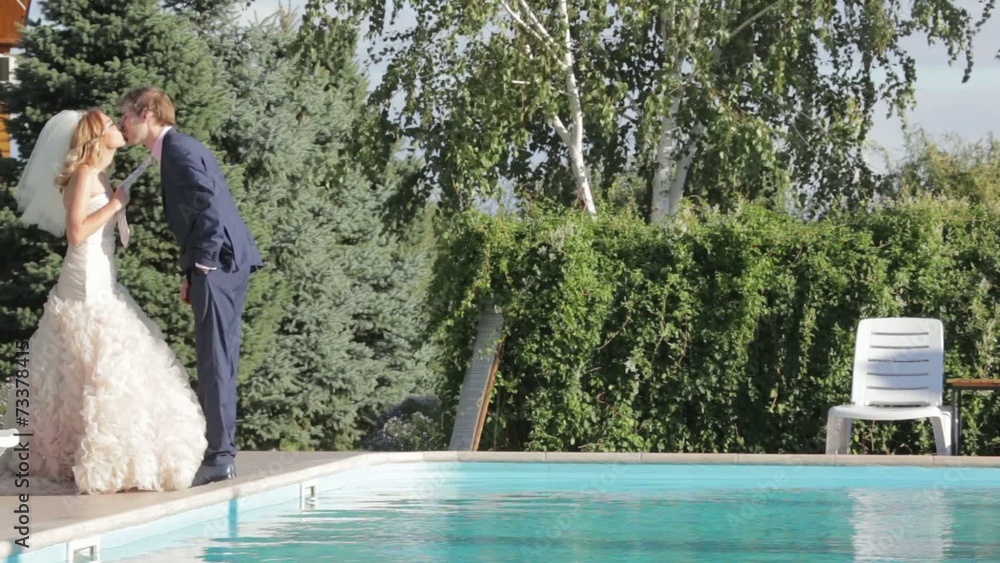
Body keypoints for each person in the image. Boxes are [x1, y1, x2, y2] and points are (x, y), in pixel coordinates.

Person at [0, 108, 208, 495]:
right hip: (84, 280)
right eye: (112, 125)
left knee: (104, 361)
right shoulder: (83, 174)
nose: (119, 127)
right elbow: (76, 233)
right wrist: (114, 205)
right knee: (92, 357)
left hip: (103, 275)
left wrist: (115, 202)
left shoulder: (101, 174)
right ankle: (74, 454)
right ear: (96, 137)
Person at [119, 87, 263, 487]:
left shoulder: (179, 150)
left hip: (219, 265)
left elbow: (211, 209)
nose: (122, 125)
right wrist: (190, 273)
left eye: (125, 116)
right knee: (217, 358)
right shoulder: (174, 150)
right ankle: (220, 452)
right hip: (218, 265)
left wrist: (203, 265)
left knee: (215, 360)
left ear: (146, 113)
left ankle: (219, 457)